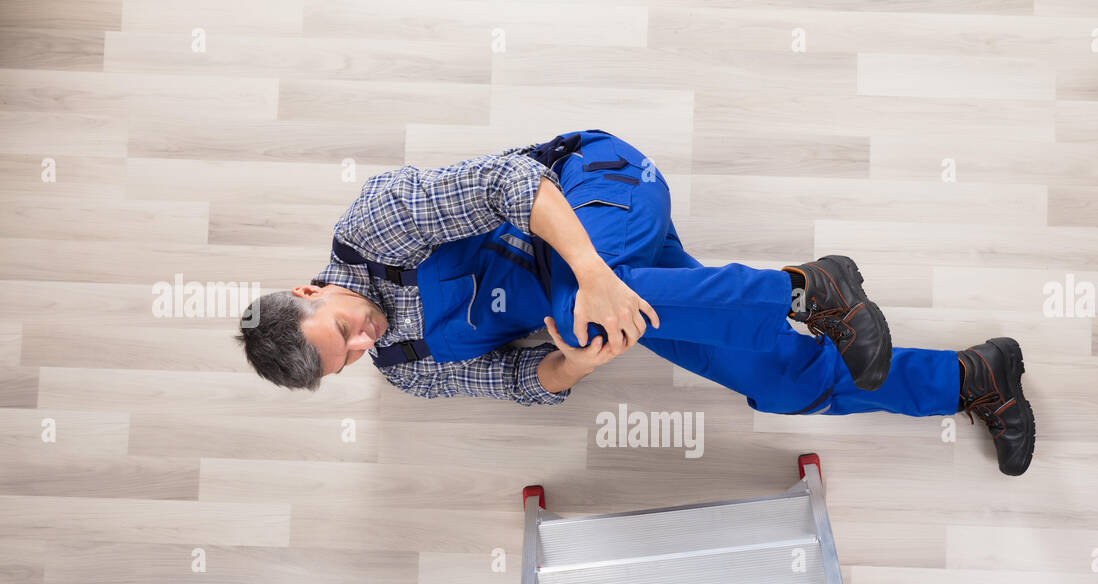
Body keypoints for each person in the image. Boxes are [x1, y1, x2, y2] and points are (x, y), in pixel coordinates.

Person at [237, 128, 1034, 475]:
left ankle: (808, 288)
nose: (367, 339)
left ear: (312, 291)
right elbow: (523, 384)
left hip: (601, 190)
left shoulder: (374, 227)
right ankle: (975, 378)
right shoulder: (407, 368)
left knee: (582, 304)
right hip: (621, 289)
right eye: (352, 358)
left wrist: (588, 280)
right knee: (783, 382)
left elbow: (512, 184)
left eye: (346, 327)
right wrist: (576, 365)